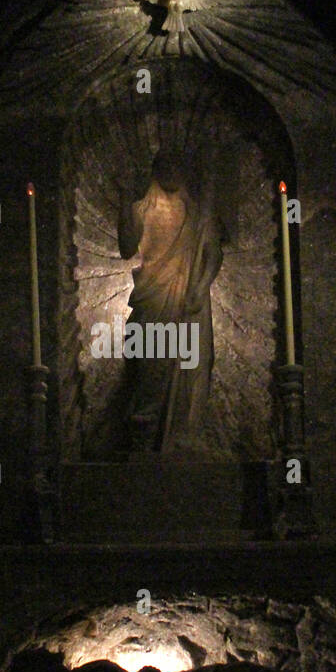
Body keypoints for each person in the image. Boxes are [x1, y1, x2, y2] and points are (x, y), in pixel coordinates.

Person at [117, 152, 224, 451]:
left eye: (178, 166)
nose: (173, 173)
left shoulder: (198, 214)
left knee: (191, 373)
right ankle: (143, 441)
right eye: (166, 167)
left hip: (190, 305)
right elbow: (127, 247)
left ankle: (181, 439)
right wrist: (125, 199)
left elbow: (213, 254)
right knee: (151, 369)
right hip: (154, 300)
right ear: (156, 171)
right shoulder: (142, 209)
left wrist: (199, 289)